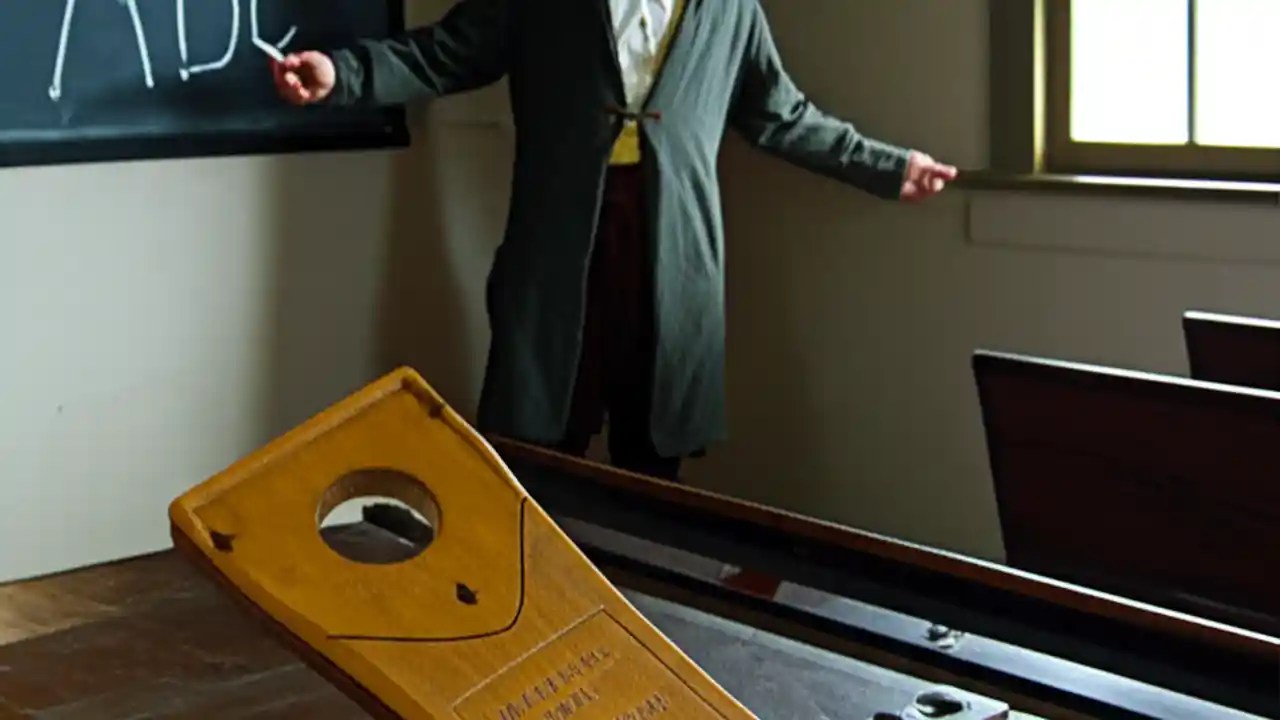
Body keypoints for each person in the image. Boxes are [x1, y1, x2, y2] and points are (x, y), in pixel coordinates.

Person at [270, 0, 957, 482]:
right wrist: (343, 74)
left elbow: (781, 115)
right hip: (558, 239)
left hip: (673, 249)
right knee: (537, 435)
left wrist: (888, 166)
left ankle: (651, 625)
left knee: (655, 439)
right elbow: (445, 53)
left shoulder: (730, 8)